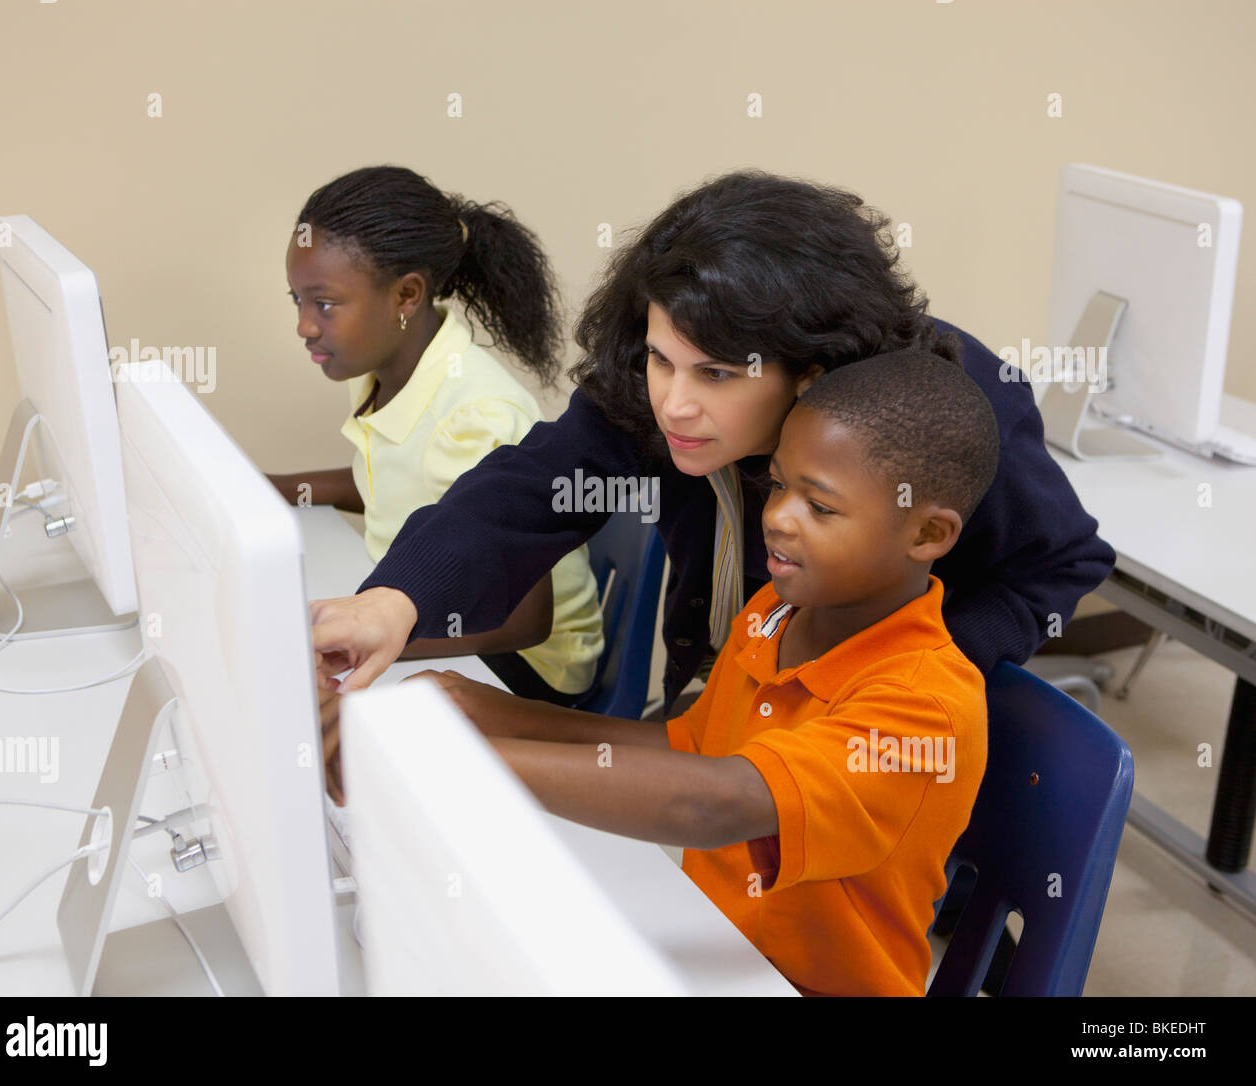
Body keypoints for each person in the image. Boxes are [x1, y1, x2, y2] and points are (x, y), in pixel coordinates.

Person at [307, 170, 1115, 711]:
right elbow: (531, 486)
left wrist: (905, 675)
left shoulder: (946, 411)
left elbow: (1059, 563)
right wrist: (396, 599)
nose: (673, 405)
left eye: (717, 375)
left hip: (869, 721)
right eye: (661, 359)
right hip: (730, 690)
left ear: (811, 373)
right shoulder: (656, 386)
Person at [394, 349, 998, 996]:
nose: (776, 517)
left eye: (820, 508)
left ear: (928, 533)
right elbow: (688, 747)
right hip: (711, 949)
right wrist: (481, 711)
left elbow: (719, 800)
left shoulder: (925, 704)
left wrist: (460, 761)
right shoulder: (778, 609)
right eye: (777, 485)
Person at [269, 165, 602, 705]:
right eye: (297, 301)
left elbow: (527, 621)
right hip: (433, 604)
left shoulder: (475, 415)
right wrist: (283, 488)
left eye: (324, 303)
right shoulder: (383, 371)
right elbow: (407, 484)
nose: (305, 325)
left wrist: (380, 633)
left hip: (522, 665)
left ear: (406, 295)